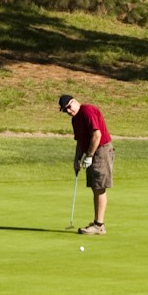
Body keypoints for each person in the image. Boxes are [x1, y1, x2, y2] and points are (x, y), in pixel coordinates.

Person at [59, 94, 113, 235]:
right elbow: (80, 141)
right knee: (95, 187)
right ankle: (97, 222)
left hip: (101, 150)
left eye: (69, 107)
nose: (69, 111)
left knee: (99, 187)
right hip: (92, 150)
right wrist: (76, 159)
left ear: (75, 102)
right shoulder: (75, 120)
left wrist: (89, 156)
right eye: (65, 110)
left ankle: (99, 225)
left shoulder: (87, 110)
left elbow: (97, 135)